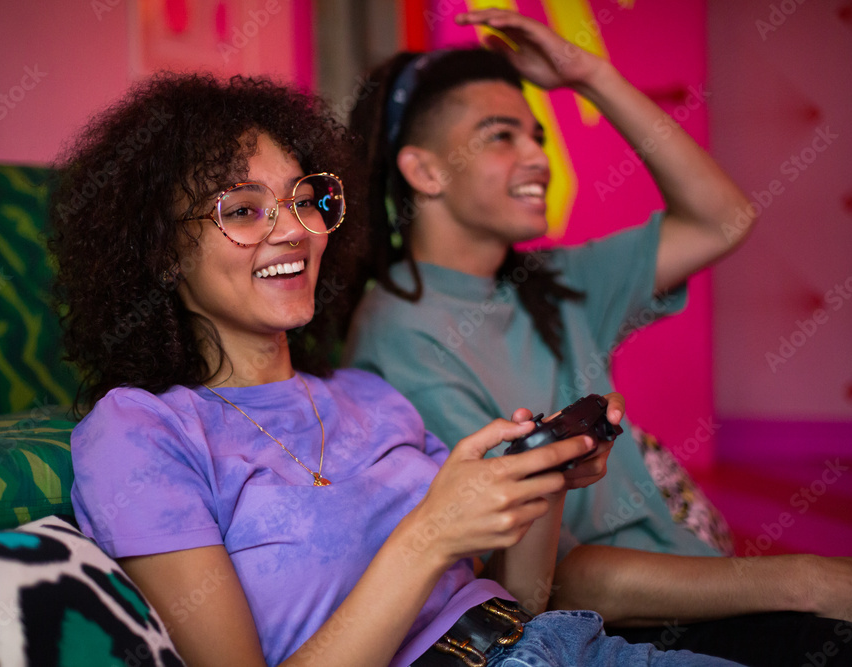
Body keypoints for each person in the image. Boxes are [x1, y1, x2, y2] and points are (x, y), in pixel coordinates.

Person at [49, 72, 739, 666]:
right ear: (164, 253)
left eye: (303, 199)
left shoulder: (369, 396)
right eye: (244, 210)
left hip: (569, 642)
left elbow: (521, 600)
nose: (292, 229)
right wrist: (433, 531)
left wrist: (542, 485)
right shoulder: (140, 430)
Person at [343, 8, 852, 665]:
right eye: (500, 136)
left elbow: (722, 219)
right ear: (425, 171)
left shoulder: (549, 282)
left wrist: (588, 74)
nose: (538, 155)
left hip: (702, 582)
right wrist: (815, 580)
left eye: (537, 134)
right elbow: (541, 580)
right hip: (621, 628)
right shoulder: (399, 338)